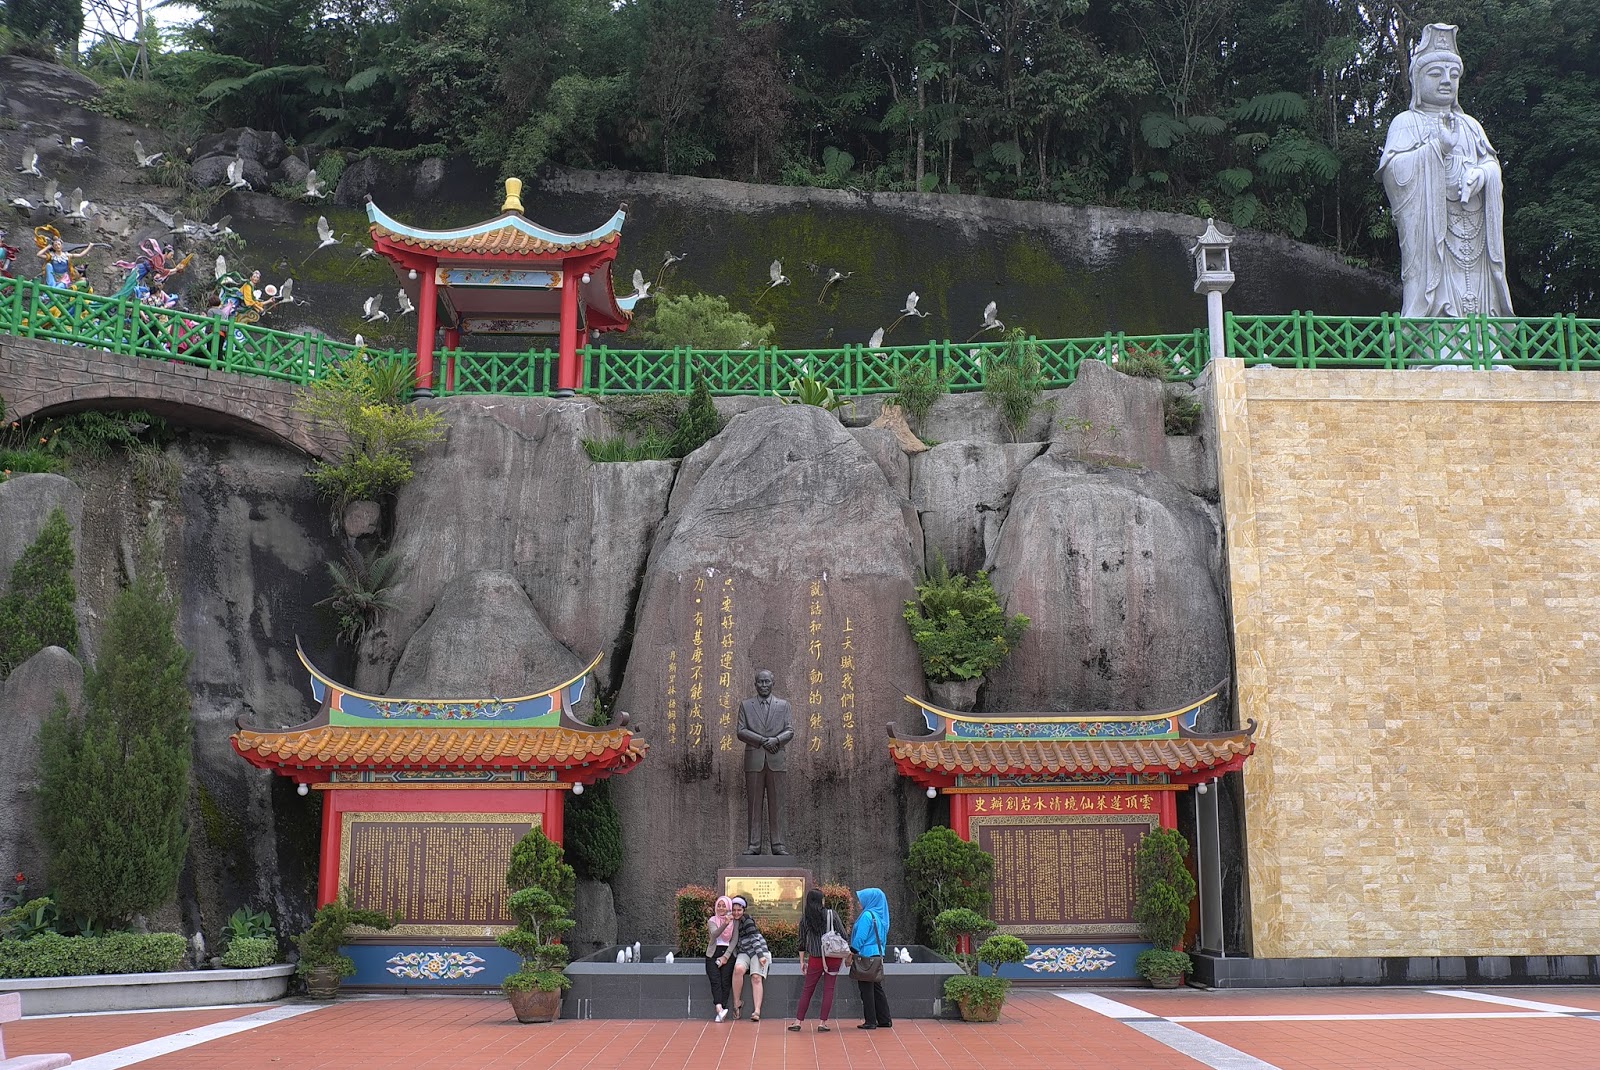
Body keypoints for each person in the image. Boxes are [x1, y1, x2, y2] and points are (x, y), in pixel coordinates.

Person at [1377, 23, 1514, 321]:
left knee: (1478, 290)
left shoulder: (1471, 125)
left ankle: (1484, 344)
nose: (1446, 81)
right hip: (1432, 234)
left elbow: (1491, 163)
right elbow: (1394, 174)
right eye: (1436, 74)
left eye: (1453, 75)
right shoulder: (1406, 122)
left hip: (1474, 227)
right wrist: (1437, 147)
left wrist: (1484, 175)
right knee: (1436, 288)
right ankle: (1434, 341)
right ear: (1418, 80)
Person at [737, 669, 794, 855]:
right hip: (754, 759)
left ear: (772, 683)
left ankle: (778, 845)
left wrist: (776, 740)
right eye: (760, 682)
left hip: (777, 760)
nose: (763, 685)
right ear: (755, 684)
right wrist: (763, 741)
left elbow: (789, 730)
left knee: (777, 804)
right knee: (754, 804)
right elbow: (741, 731)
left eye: (766, 682)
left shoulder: (783, 705)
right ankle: (754, 845)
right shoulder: (746, 705)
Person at [789, 888, 845, 1032]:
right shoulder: (832, 914)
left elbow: (801, 941)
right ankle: (822, 1023)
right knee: (829, 989)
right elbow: (843, 934)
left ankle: (798, 1021)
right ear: (822, 900)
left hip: (815, 957)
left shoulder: (805, 918)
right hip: (833, 957)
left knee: (807, 989)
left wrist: (802, 961)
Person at [719, 896, 771, 1022]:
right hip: (744, 952)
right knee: (738, 969)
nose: (737, 913)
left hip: (757, 951)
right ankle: (737, 1003)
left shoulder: (747, 920)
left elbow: (754, 938)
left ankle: (757, 1011)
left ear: (744, 910)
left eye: (739, 910)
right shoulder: (731, 921)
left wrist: (760, 956)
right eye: (734, 910)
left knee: (756, 977)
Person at [850, 887, 892, 1030]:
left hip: (865, 956)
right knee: (876, 988)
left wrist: (851, 953)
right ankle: (885, 1019)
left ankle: (870, 1021)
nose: (858, 903)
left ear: (870, 900)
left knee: (866, 990)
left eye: (861, 899)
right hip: (877, 956)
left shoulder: (867, 916)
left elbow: (860, 938)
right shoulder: (880, 917)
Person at [704, 895, 735, 1023]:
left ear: (728, 907)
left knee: (725, 982)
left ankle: (722, 1010)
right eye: (719, 905)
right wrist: (724, 924)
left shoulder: (734, 921)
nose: (721, 908)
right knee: (715, 981)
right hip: (713, 953)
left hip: (728, 953)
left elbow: (734, 941)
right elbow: (714, 934)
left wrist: (726, 956)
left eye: (724, 905)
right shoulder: (712, 920)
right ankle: (719, 1008)